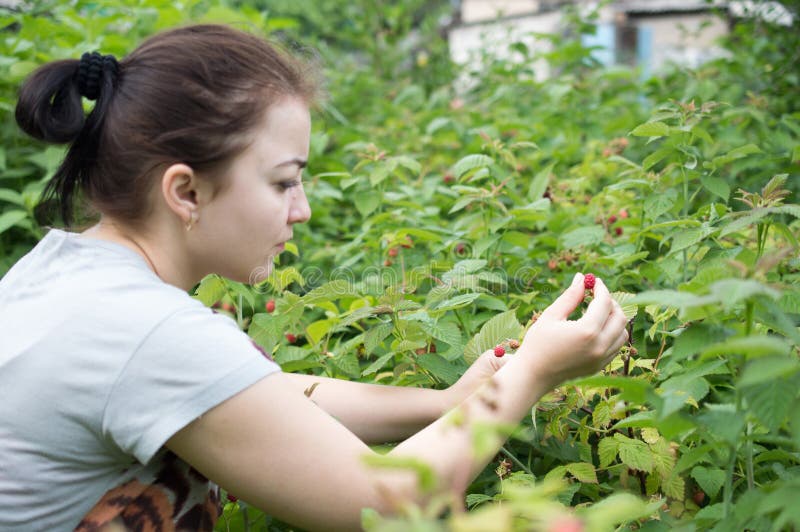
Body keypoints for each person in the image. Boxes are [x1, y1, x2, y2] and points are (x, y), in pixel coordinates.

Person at [0, 24, 629, 531]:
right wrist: (532, 373)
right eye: (282, 181)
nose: (301, 209)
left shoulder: (64, 270)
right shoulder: (146, 331)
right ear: (185, 191)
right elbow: (385, 503)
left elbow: (249, 397)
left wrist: (446, 402)